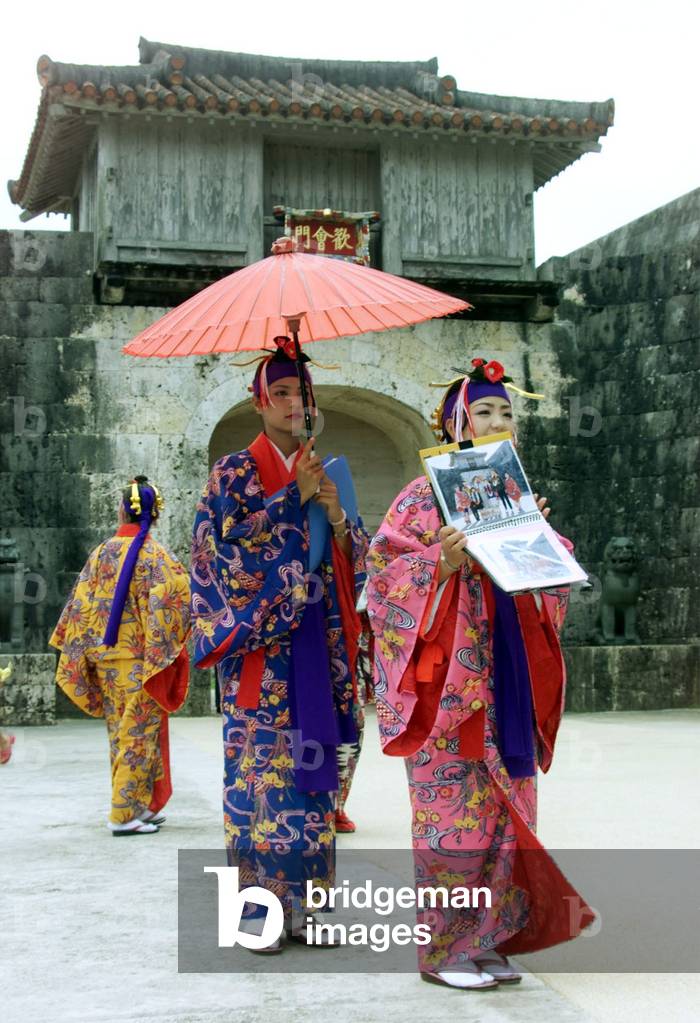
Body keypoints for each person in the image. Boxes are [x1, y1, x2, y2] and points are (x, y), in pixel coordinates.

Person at [366, 357, 594, 990]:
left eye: (506, 414)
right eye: (484, 412)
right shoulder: (419, 497)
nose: (497, 423)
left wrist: (541, 542)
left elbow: (549, 590)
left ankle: (489, 939)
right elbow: (383, 586)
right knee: (451, 818)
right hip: (446, 691)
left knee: (503, 816)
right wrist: (438, 564)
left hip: (506, 683)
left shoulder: (514, 497)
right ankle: (444, 952)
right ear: (456, 424)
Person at [190, 339, 368, 952]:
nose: (294, 403)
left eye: (302, 393)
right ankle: (259, 915)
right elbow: (223, 557)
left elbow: (356, 567)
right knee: (259, 782)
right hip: (261, 655)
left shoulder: (329, 469)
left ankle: (311, 909)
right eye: (282, 393)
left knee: (313, 781)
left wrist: (336, 516)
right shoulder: (234, 473)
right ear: (259, 400)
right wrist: (291, 497)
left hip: (317, 647)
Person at [50, 477, 191, 834]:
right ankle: (123, 813)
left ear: (120, 510)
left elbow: (81, 604)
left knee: (121, 735)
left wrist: (83, 653)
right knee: (139, 736)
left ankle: (137, 803)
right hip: (143, 663)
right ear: (156, 514)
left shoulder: (101, 553)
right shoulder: (158, 557)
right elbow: (178, 604)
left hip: (105, 661)